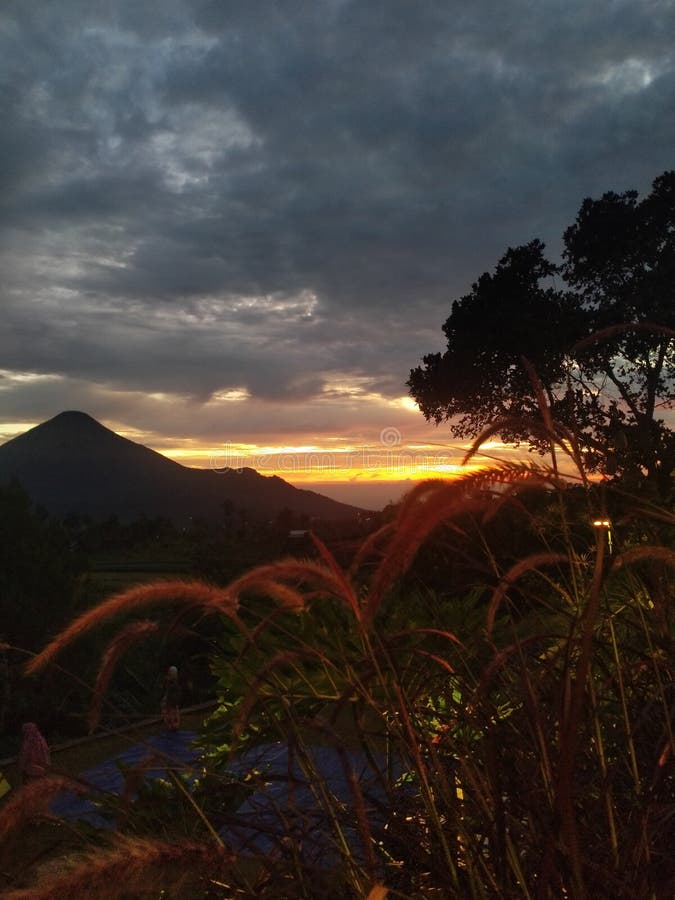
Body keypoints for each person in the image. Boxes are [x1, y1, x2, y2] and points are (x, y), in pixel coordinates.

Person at [161, 666, 180, 732]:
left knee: (173, 716)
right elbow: (165, 691)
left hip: (172, 703)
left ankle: (174, 727)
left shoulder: (174, 683)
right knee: (168, 716)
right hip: (167, 702)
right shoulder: (167, 681)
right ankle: (169, 727)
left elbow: (175, 694)